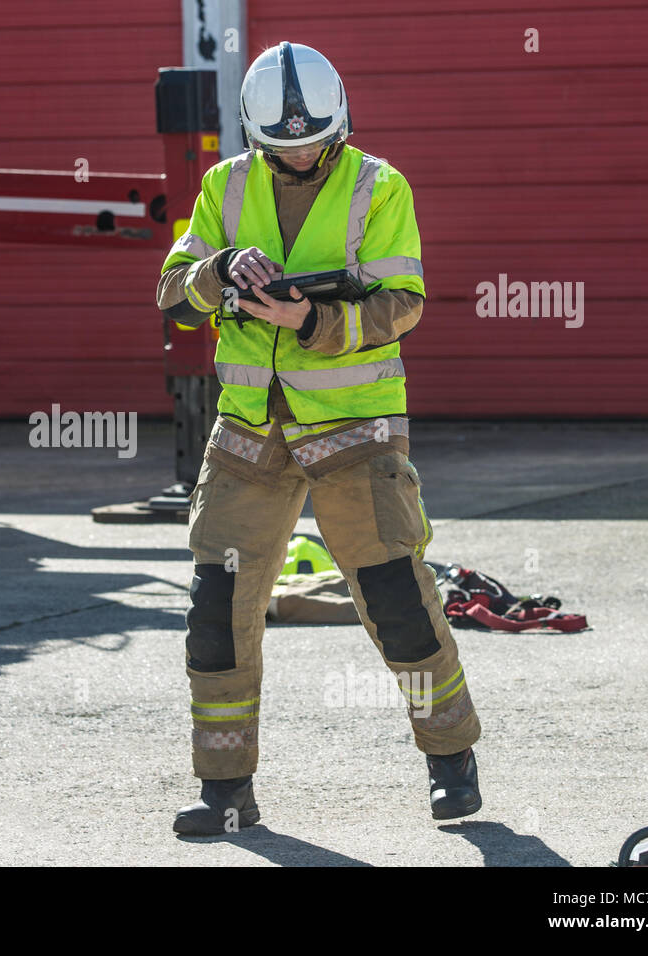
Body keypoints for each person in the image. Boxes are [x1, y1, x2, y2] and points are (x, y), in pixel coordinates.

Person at [155, 41, 482, 836]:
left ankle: (452, 764)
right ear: (254, 136)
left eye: (312, 140)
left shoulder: (380, 185)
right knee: (217, 611)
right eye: (282, 144)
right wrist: (222, 268)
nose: (299, 152)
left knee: (397, 602)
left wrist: (311, 319)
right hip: (246, 437)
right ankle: (225, 789)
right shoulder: (222, 186)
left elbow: (403, 305)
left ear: (339, 126)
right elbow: (174, 295)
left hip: (354, 434)